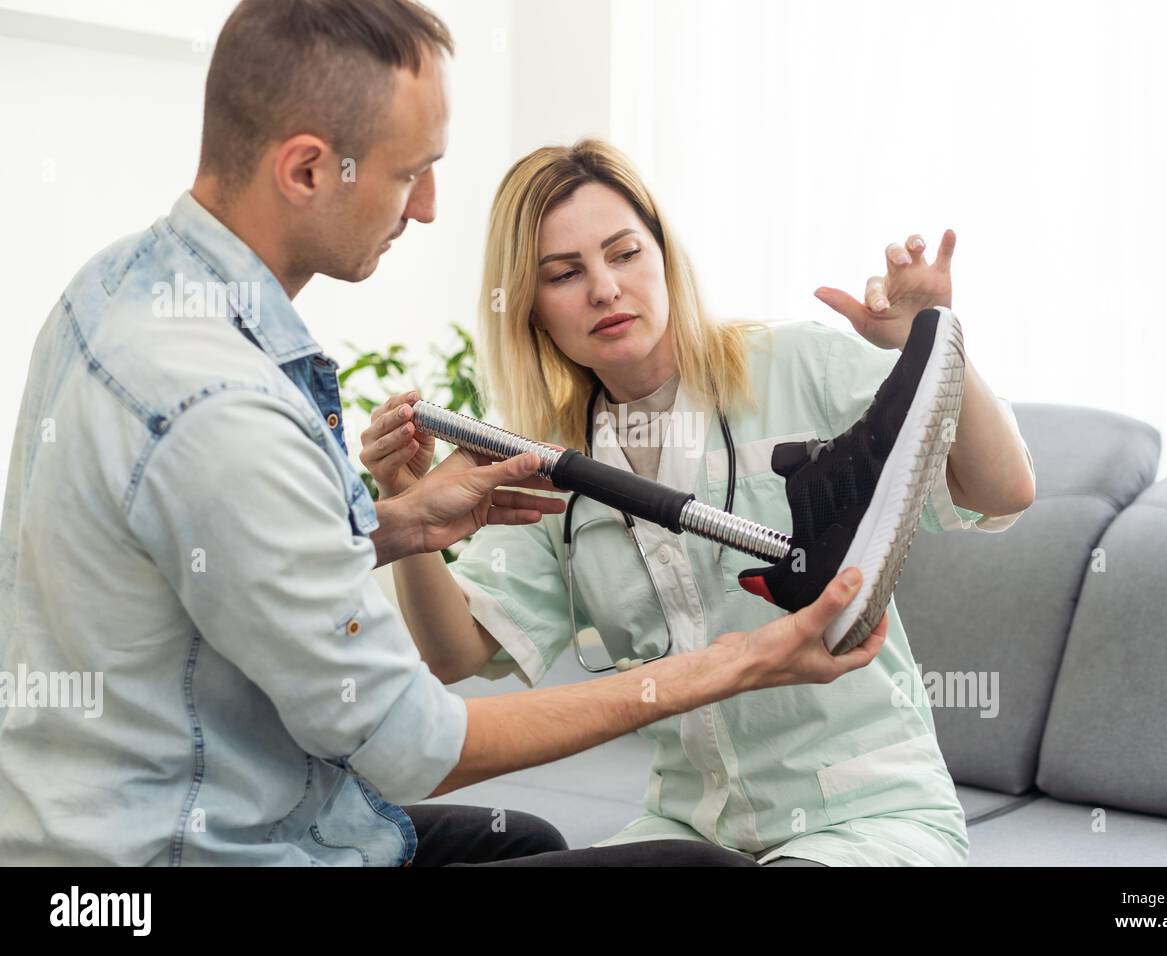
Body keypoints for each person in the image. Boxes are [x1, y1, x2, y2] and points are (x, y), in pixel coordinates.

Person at [0, 0, 887, 867]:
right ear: (308, 170)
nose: (425, 208)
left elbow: (213, 546)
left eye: (624, 254)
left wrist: (401, 523)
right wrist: (729, 663)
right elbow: (415, 742)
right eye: (408, 172)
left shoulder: (116, 284)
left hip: (136, 822)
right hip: (193, 850)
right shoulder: (224, 407)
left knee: (529, 840)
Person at [363, 139, 1037, 866]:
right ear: (529, 307)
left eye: (624, 253)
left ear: (663, 255)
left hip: (868, 818)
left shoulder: (798, 365)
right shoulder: (549, 455)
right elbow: (455, 651)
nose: (605, 289)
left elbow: (1003, 492)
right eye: (565, 274)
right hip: (691, 826)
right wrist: (407, 510)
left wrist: (939, 345)